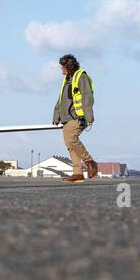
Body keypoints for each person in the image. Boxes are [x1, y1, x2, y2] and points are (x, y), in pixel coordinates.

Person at [51, 54, 98, 183]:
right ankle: (77, 173)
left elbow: (87, 96)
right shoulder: (67, 79)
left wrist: (88, 116)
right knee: (70, 145)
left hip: (78, 116)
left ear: (69, 66)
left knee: (72, 139)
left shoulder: (80, 76)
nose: (61, 70)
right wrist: (56, 116)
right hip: (66, 118)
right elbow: (61, 99)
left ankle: (90, 162)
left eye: (62, 67)